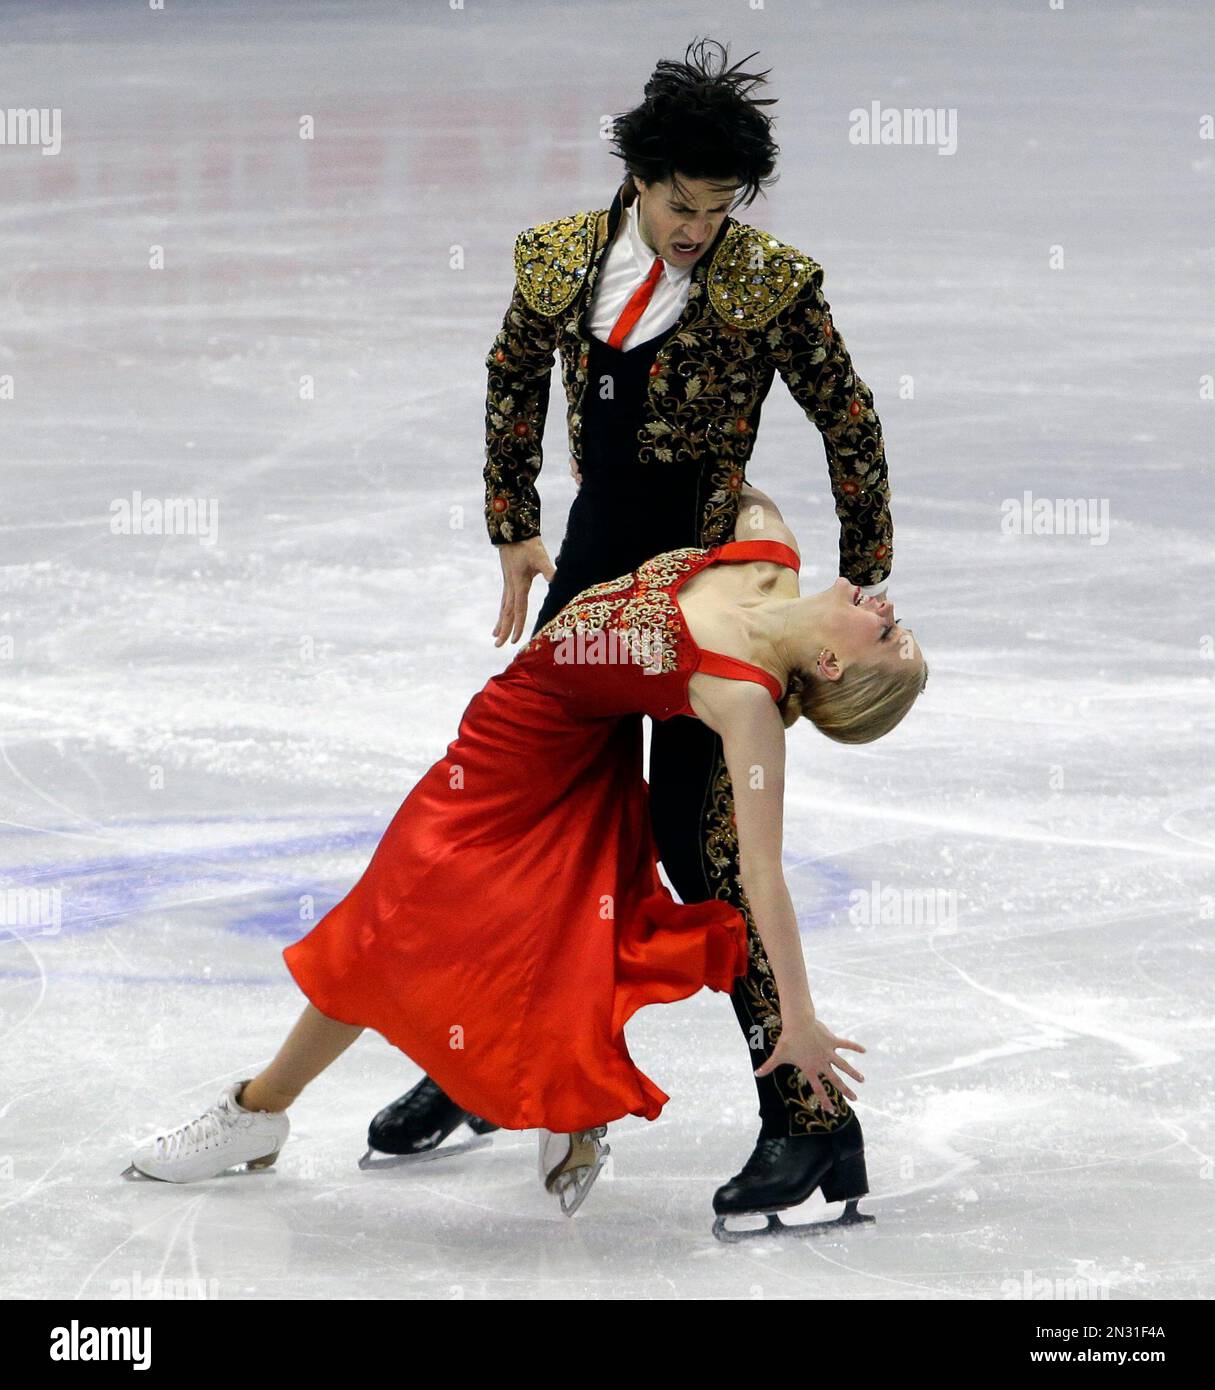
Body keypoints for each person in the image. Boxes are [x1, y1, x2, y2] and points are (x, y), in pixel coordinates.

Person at [366, 38, 901, 1232]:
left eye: (718, 209)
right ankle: (480, 1061)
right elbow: (511, 376)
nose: (697, 228)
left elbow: (849, 421)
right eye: (680, 203)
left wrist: (859, 587)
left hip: (711, 589)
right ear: (638, 177)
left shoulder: (773, 284)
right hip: (598, 578)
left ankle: (814, 1122)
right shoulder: (563, 257)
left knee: (699, 845)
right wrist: (513, 523)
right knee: (523, 826)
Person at [122, 484, 927, 1235]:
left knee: (386, 930)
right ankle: (543, 1102)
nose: (887, 607)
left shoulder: (744, 698)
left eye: (887, 635)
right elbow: (698, 437)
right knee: (451, 937)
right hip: (511, 741)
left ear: (830, 667)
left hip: (539, 766)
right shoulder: (765, 549)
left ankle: (258, 1110)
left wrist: (798, 1015)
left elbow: (760, 874)